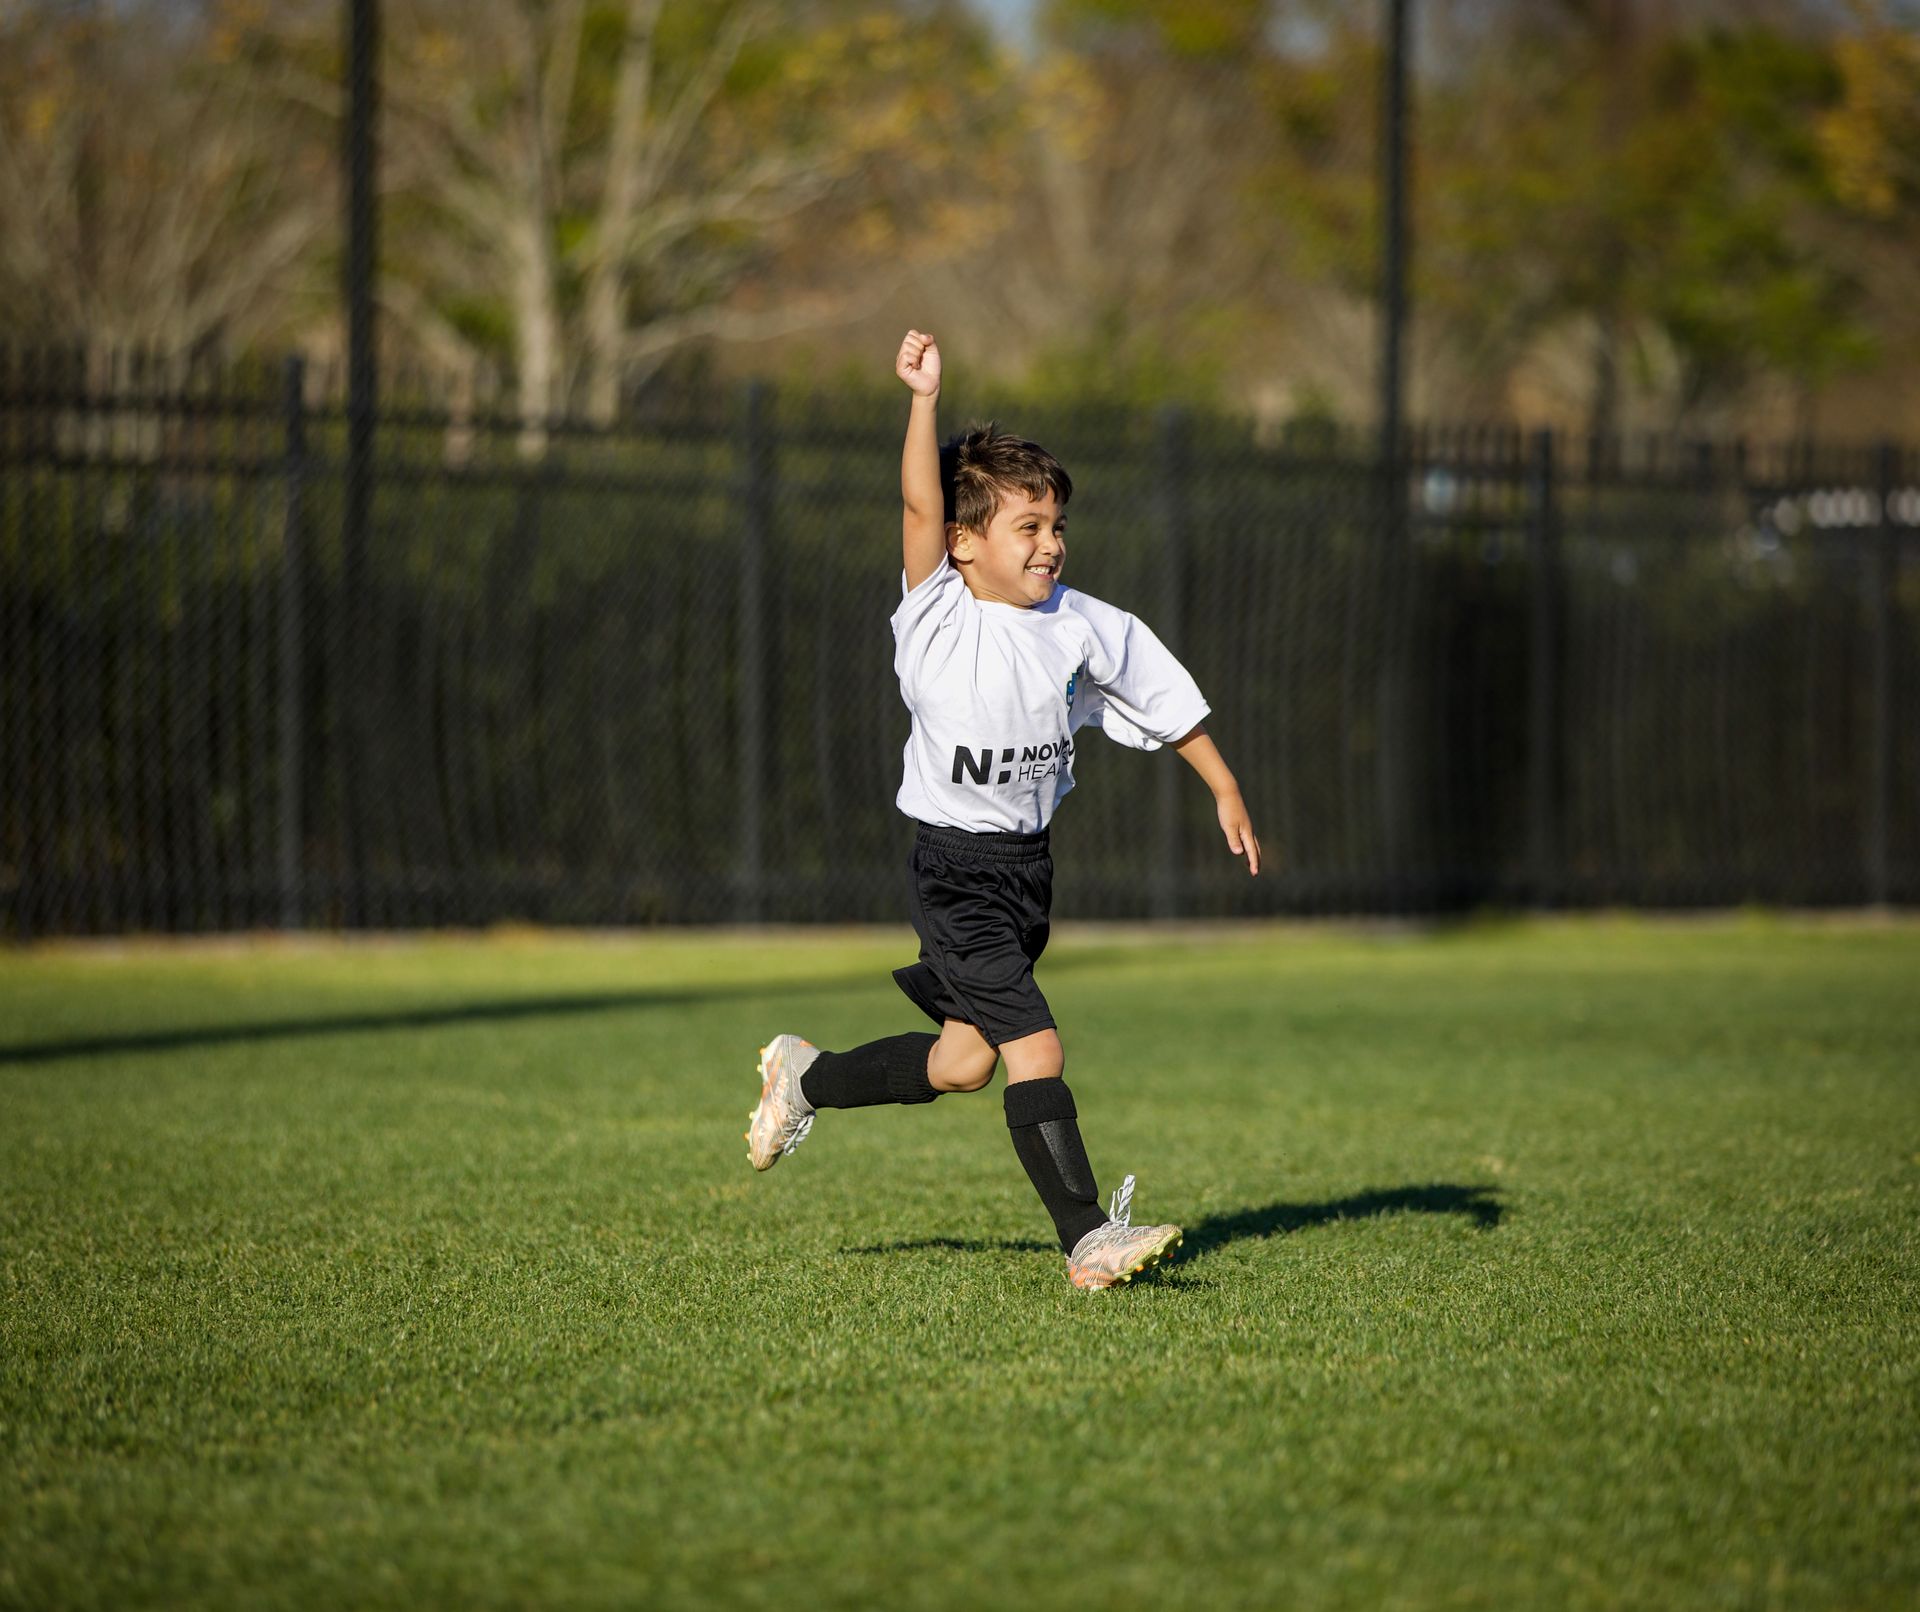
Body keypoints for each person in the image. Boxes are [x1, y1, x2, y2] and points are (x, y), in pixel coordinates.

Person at [745, 329, 1262, 1291]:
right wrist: (922, 402)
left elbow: (1161, 693)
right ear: (963, 543)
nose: (1050, 544)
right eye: (1026, 527)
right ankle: (1086, 1238)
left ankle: (805, 1078)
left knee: (962, 1065)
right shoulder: (937, 614)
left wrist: (1223, 783)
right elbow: (915, 499)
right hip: (953, 872)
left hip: (1026, 873)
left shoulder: (1079, 619)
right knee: (1038, 1046)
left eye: (1055, 525)